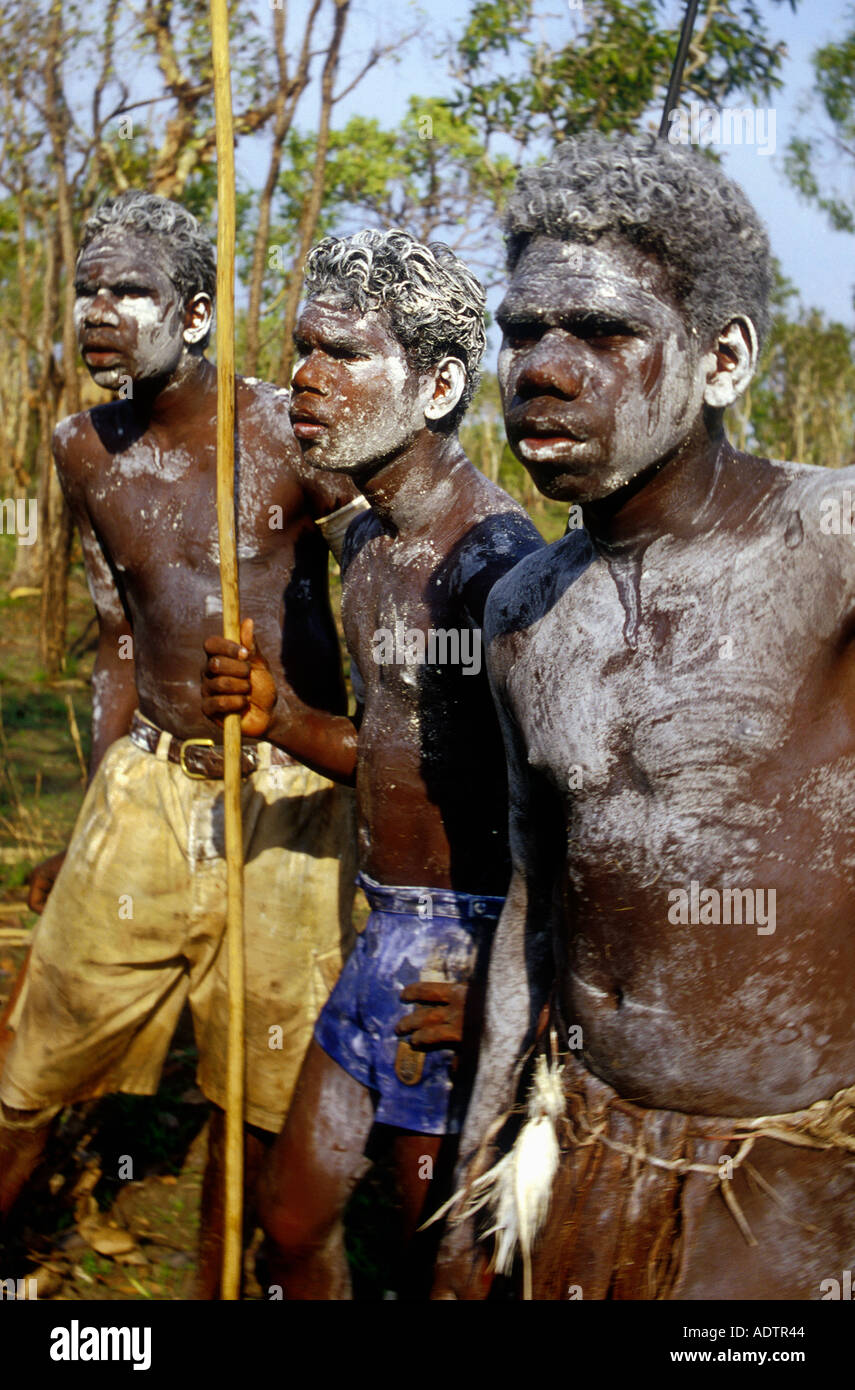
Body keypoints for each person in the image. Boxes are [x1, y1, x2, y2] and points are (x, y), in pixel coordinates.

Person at [433, 131, 855, 1301]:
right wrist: (480, 1171)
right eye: (522, 332)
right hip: (592, 1137)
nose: (542, 370)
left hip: (793, 1172)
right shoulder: (522, 610)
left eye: (606, 333)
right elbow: (537, 895)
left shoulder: (828, 544)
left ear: (720, 359)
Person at [0, 190, 361, 1298]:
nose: (97, 312)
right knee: (32, 1072)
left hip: (292, 801)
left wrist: (352, 760)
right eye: (86, 290)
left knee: (252, 1102)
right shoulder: (81, 449)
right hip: (151, 789)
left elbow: (393, 600)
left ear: (198, 314)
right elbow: (116, 635)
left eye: (131, 292)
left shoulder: (291, 437)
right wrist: (98, 802)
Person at [202, 229, 543, 1297]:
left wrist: (513, 983)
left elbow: (577, 813)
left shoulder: (499, 566)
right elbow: (395, 755)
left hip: (465, 949)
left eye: (340, 354)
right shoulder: (366, 549)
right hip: (379, 934)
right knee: (293, 1221)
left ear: (439, 384)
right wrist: (283, 718)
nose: (302, 376)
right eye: (304, 346)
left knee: (447, 1266)